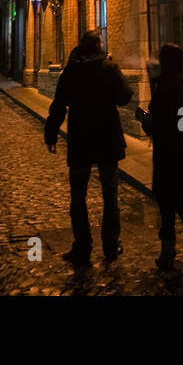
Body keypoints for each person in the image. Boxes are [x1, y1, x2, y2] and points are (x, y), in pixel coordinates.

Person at [44, 30, 133, 266]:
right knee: (110, 194)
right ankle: (111, 244)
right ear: (98, 45)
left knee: (78, 197)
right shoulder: (107, 67)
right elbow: (125, 96)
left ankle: (82, 247)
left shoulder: (71, 70)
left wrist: (51, 133)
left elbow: (59, 104)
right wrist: (112, 72)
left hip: (81, 138)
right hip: (106, 137)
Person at [137, 43, 183, 272]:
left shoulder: (175, 85)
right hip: (172, 151)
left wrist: (151, 122)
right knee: (167, 205)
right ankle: (169, 252)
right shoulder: (178, 82)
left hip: (174, 154)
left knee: (178, 203)